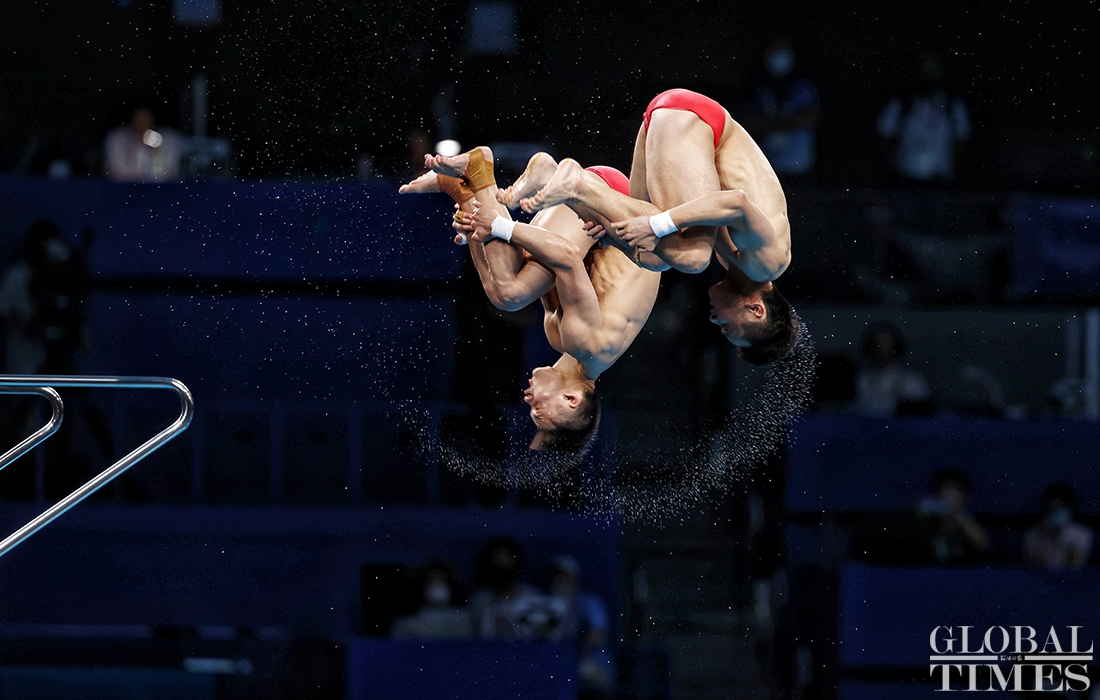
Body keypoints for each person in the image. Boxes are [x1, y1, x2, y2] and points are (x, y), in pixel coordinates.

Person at [513, 88, 799, 365]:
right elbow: (737, 202)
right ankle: (577, 185)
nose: (715, 321)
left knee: (652, 257)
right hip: (691, 119)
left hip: (672, 123)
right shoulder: (768, 264)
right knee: (693, 256)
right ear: (756, 310)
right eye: (727, 328)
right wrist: (657, 224)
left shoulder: (736, 265)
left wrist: (617, 233)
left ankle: (558, 180)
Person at [401, 147, 660, 450]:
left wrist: (475, 223)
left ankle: (465, 190)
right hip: (610, 202)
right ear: (572, 400)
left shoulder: (561, 340)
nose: (528, 402)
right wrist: (499, 226)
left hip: (599, 215)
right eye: (539, 412)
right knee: (511, 294)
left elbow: (531, 261)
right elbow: (566, 256)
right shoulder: (587, 345)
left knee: (505, 289)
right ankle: (479, 174)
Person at [876, 53, 970, 185]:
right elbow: (884, 133)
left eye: (932, 69)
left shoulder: (951, 104)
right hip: (904, 177)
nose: (928, 75)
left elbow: (961, 137)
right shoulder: (902, 102)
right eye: (924, 69)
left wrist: (949, 161)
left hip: (940, 179)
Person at [741, 38, 821, 178]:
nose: (779, 58)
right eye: (775, 51)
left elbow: (812, 117)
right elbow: (746, 123)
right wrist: (788, 121)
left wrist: (770, 123)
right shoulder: (758, 87)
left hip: (799, 167)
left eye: (783, 51)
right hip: (768, 168)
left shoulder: (804, 86)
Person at [546, 555, 616, 697]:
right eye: (556, 577)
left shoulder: (590, 602)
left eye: (565, 576)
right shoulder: (545, 604)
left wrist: (574, 661)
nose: (560, 581)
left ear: (574, 578)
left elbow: (596, 634)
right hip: (557, 666)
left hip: (591, 663)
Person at [855, 320, 933, 416]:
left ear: (895, 345)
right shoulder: (860, 380)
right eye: (875, 342)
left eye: (884, 342)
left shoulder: (912, 381)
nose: (879, 347)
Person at [916, 468, 989, 565]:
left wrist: (957, 513)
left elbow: (984, 545)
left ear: (965, 497)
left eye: (955, 491)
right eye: (945, 490)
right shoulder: (929, 519)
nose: (949, 497)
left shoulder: (969, 522)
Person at [1023, 483, 1093, 571]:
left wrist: (1062, 537)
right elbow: (1034, 567)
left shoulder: (1082, 534)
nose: (1057, 513)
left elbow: (1075, 567)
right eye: (1053, 509)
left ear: (1069, 509)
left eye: (1060, 508)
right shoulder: (1032, 535)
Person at [104, 107, 183, 182]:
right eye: (139, 120)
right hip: (125, 189)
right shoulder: (117, 139)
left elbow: (167, 172)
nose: (142, 124)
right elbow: (116, 172)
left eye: (146, 120)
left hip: (158, 190)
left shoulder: (168, 140)